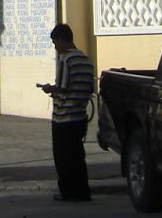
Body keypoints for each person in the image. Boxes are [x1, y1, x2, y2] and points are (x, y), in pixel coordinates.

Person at [38, 22, 95, 202]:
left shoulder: (66, 59)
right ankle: (82, 191)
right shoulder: (86, 60)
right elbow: (89, 88)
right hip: (80, 116)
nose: (56, 48)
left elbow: (62, 87)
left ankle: (68, 192)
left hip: (64, 118)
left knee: (63, 158)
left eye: (55, 43)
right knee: (78, 157)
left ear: (62, 39)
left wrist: (49, 88)